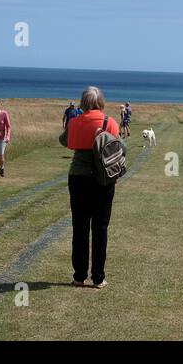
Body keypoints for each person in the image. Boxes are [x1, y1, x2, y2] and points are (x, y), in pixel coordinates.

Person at [59, 85, 121, 288]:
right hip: (103, 178)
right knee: (101, 227)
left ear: (83, 103)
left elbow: (65, 141)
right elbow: (117, 148)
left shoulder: (75, 122)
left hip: (78, 177)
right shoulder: (109, 122)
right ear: (100, 102)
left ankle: (79, 275)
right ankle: (98, 277)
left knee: (80, 226)